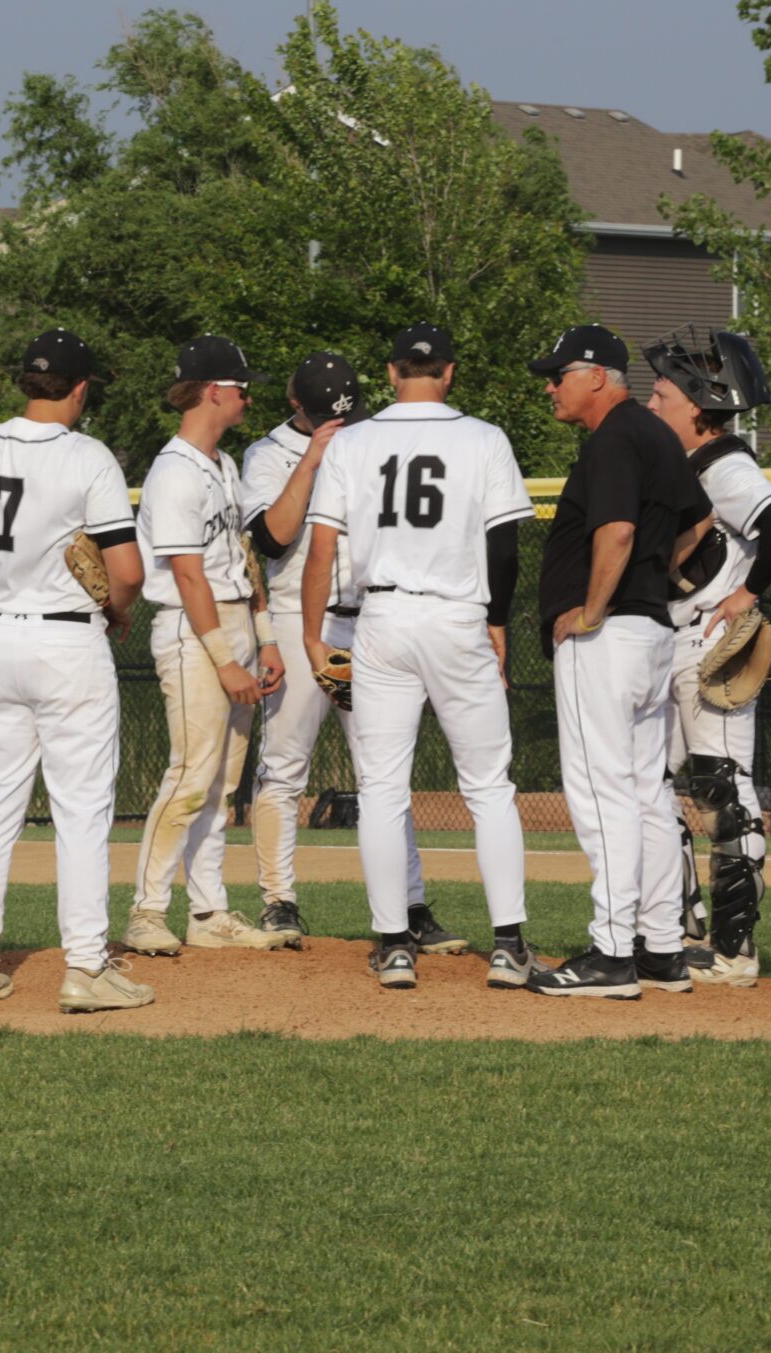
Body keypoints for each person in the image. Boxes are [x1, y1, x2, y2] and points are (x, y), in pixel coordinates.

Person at [301, 322, 536, 990]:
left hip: (382, 618)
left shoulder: (355, 440)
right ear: (451, 372)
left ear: (391, 371)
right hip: (458, 615)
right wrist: (496, 623)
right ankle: (510, 945)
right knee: (489, 785)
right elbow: (506, 547)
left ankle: (395, 945)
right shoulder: (485, 437)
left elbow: (321, 550)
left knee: (381, 786)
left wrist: (313, 635)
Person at [0, 329, 151, 1013]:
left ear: (24, 382)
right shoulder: (89, 457)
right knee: (81, 811)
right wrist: (113, 610)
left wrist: (8, 582)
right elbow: (127, 571)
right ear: (81, 389)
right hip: (68, 644)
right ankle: (85, 967)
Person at [527, 324, 712, 999]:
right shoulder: (658, 434)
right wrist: (654, 576)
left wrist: (593, 608)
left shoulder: (611, 438)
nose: (550, 386)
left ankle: (611, 951)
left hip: (606, 642)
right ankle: (662, 948)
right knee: (645, 793)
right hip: (652, 635)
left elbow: (618, 529)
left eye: (559, 374)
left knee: (602, 791)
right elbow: (700, 519)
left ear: (599, 374)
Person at [240, 352, 443, 950]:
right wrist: (313, 459)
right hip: (297, 619)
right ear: (295, 405)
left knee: (385, 773)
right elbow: (271, 536)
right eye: (328, 415)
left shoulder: (375, 441)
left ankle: (410, 907)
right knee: (284, 767)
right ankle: (279, 901)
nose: (340, 424)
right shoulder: (267, 454)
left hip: (373, 619)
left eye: (348, 414)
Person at [642, 327, 771, 988]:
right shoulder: (687, 466)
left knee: (724, 793)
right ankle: (682, 927)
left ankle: (735, 953)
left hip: (709, 648)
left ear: (696, 406)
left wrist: (747, 592)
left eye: (660, 395)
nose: (651, 405)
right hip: (672, 641)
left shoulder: (725, 466)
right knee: (656, 784)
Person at [123, 335, 294, 956]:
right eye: (243, 389)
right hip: (195, 632)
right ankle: (145, 911)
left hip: (236, 624)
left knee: (223, 782)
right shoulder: (174, 469)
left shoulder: (221, 464)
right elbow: (188, 573)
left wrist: (266, 639)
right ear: (215, 391)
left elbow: (243, 559)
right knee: (191, 775)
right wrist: (225, 659)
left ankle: (208, 910)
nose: (249, 400)